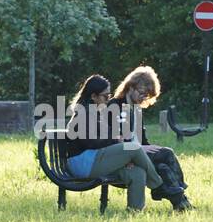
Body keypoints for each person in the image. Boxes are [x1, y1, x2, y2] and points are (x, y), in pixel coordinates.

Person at [65, 73, 164, 212]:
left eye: (109, 95)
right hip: (82, 163)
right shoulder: (83, 113)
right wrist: (119, 144)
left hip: (95, 159)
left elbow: (107, 139)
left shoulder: (97, 112)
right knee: (133, 148)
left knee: (137, 172)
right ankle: (158, 186)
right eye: (105, 96)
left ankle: (134, 213)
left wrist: (123, 156)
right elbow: (93, 143)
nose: (108, 99)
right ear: (93, 96)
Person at [111, 64, 193, 211]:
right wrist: (128, 158)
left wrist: (152, 152)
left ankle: (181, 203)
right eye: (142, 93)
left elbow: (143, 140)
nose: (144, 98)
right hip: (125, 152)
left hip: (138, 150)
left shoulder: (136, 109)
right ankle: (178, 194)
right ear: (130, 87)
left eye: (147, 95)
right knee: (167, 152)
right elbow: (114, 139)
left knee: (162, 167)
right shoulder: (114, 107)